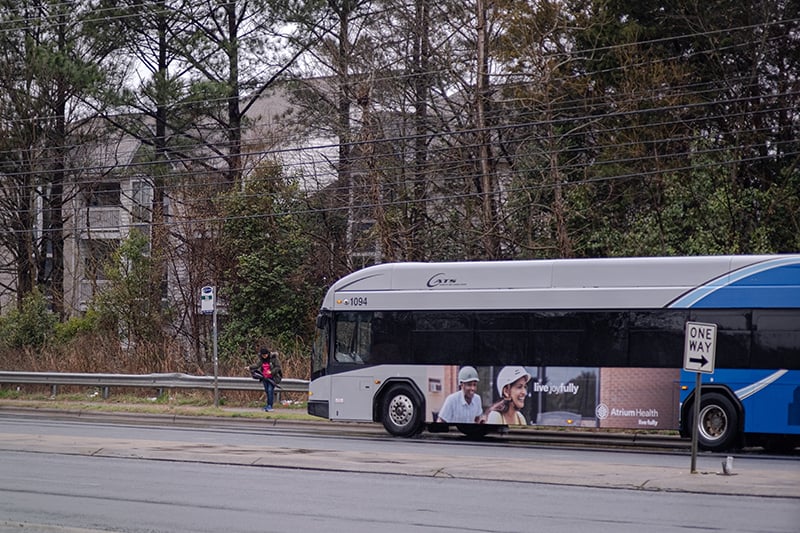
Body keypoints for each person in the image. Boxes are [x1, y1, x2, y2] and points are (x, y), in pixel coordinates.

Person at [248, 347, 283, 412]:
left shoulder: (273, 359)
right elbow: (257, 365)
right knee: (267, 391)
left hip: (272, 378)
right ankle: (268, 405)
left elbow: (278, 367)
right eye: (263, 355)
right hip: (265, 378)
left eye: (265, 355)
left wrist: (271, 372)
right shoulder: (261, 359)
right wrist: (250, 367)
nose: (264, 356)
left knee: (270, 391)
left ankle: (270, 406)